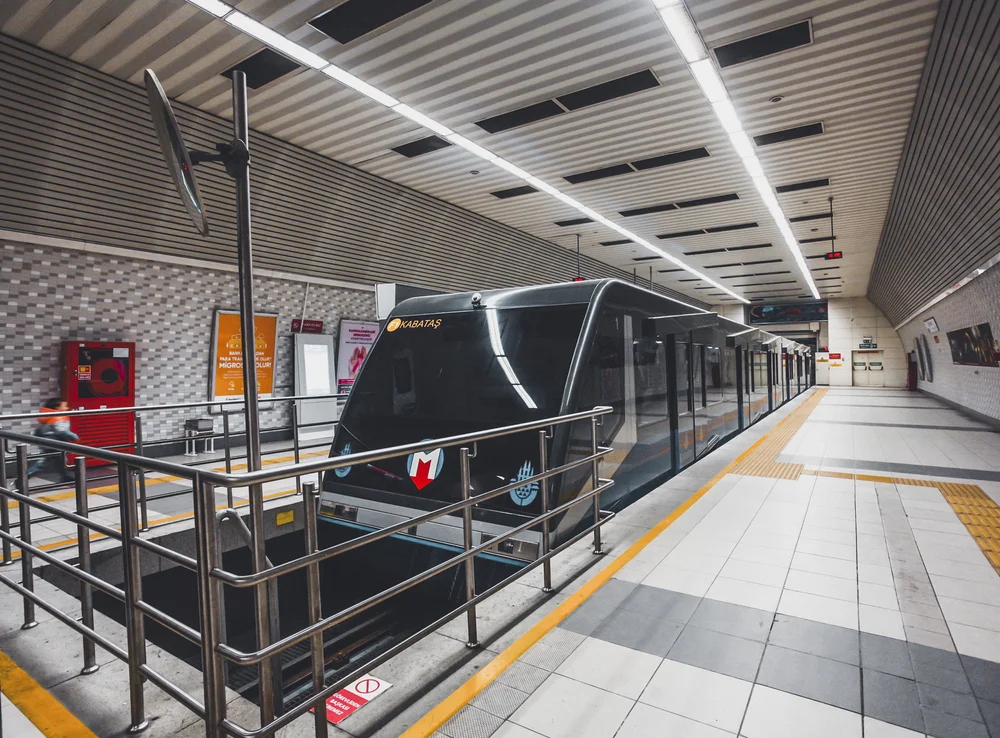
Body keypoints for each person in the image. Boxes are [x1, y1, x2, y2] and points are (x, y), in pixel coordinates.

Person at [24, 397, 78, 484]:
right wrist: (74, 437)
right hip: (56, 443)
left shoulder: (46, 415)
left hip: (47, 442)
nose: (67, 408)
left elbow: (39, 430)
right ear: (57, 407)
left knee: (59, 461)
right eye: (65, 406)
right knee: (43, 462)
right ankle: (24, 477)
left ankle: (65, 476)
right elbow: (62, 431)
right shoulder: (58, 417)